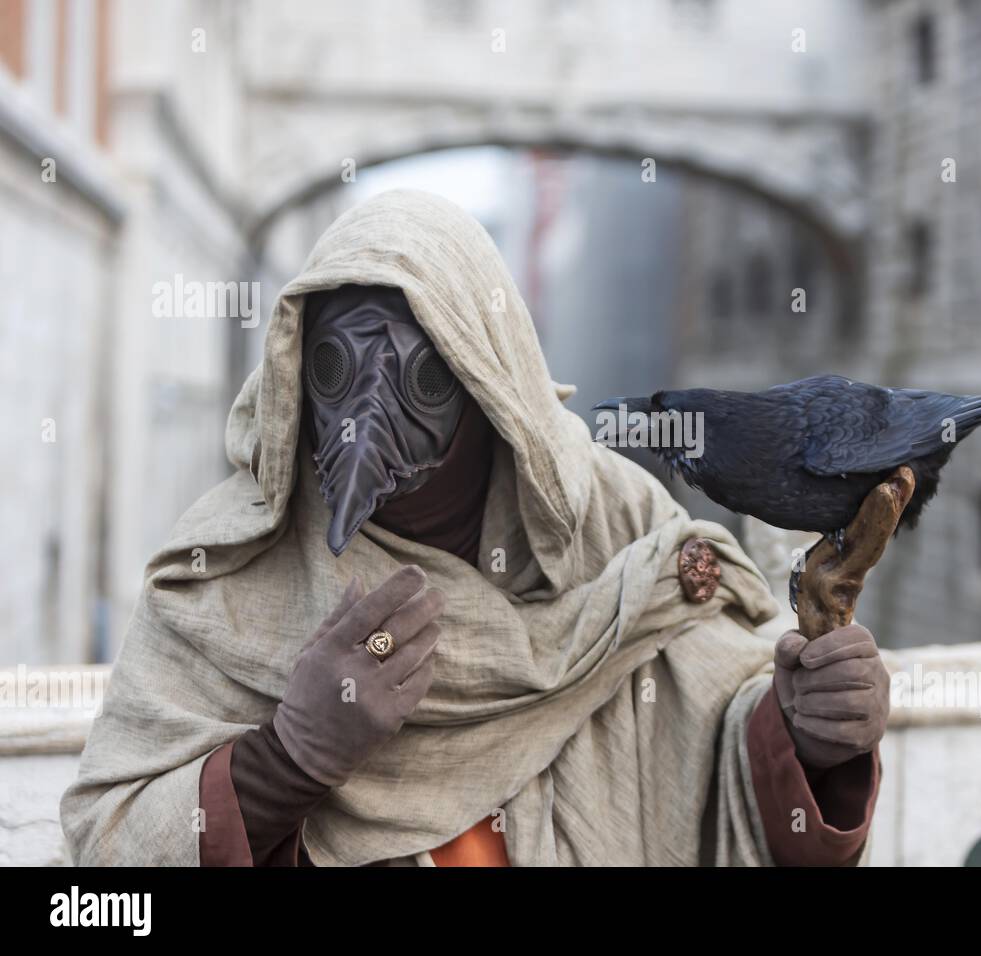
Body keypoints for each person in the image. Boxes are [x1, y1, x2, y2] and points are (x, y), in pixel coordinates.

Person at [60, 190, 889, 866]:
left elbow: (715, 743)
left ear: (484, 381)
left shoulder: (609, 520)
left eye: (420, 379)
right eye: (336, 371)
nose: (365, 422)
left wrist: (811, 737)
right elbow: (107, 864)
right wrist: (286, 760)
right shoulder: (229, 571)